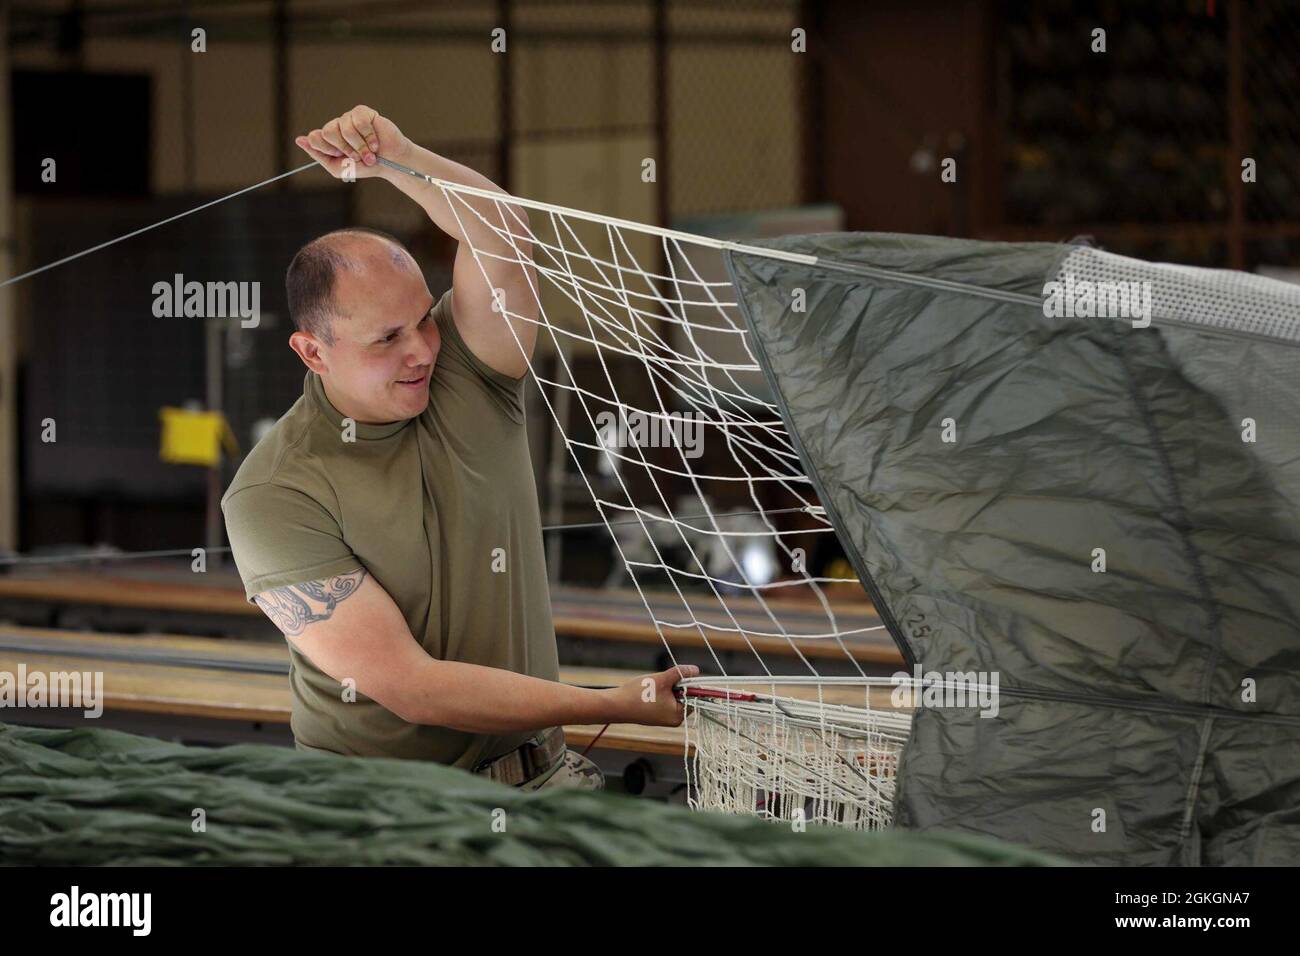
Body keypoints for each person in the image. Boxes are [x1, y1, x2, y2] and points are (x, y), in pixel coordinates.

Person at [222, 105, 697, 791]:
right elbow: (416, 689)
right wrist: (609, 706)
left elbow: (504, 235)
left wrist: (398, 156)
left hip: (546, 779)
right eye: (387, 339)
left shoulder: (468, 370)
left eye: (423, 319)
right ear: (312, 352)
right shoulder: (274, 494)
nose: (420, 350)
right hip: (386, 816)